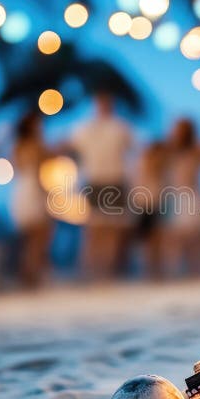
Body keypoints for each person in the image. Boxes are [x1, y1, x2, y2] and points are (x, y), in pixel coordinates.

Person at [70, 91, 133, 279]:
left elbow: (132, 152)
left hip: (115, 180)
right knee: (94, 229)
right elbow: (73, 151)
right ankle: (91, 271)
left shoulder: (121, 127)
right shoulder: (84, 128)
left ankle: (107, 270)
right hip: (95, 180)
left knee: (113, 229)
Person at [11, 112, 55, 289]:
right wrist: (46, 196)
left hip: (20, 192)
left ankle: (28, 278)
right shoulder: (36, 146)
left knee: (29, 241)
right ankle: (32, 278)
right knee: (39, 238)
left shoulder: (18, 147)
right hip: (32, 192)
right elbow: (39, 172)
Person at [164, 118, 200, 275]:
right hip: (176, 197)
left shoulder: (196, 151)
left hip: (192, 196)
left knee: (194, 239)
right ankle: (173, 273)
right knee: (175, 239)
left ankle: (196, 272)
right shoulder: (171, 151)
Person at [133, 140, 167, 278]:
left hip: (155, 205)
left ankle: (155, 270)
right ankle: (150, 270)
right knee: (150, 241)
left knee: (156, 241)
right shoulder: (144, 165)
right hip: (147, 205)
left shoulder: (159, 168)